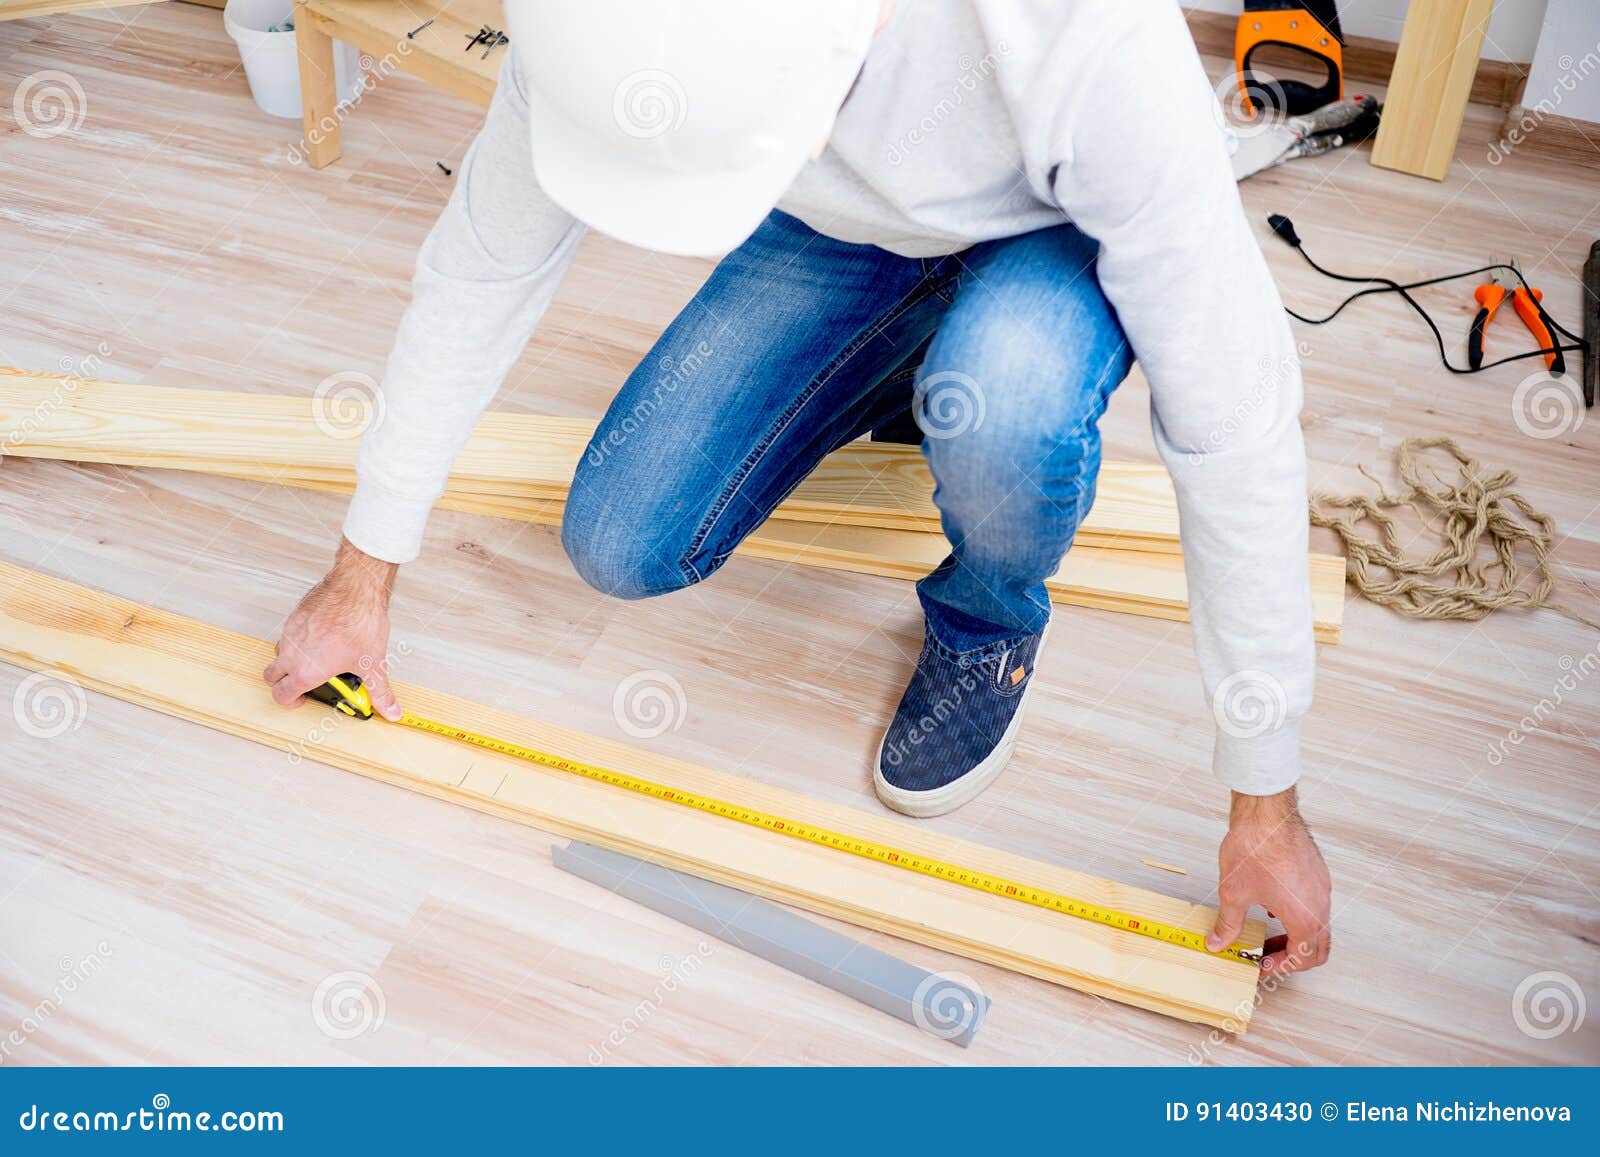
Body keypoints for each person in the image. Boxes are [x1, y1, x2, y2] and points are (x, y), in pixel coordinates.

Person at [264, 0, 1331, 974]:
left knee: (1002, 397)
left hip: (1046, 231)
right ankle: (914, 366)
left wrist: (1264, 800)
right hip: (845, 231)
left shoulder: (1086, 40)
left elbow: (1231, 427)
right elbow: (481, 270)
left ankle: (986, 610)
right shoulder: (593, 28)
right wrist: (363, 571)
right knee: (621, 538)